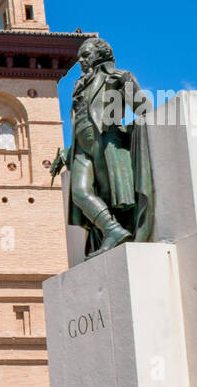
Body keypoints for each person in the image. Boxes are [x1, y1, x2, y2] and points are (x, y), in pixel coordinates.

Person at [50, 36, 154, 257]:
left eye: (86, 55)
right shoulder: (78, 87)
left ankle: (117, 230)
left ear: (101, 54)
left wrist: (126, 130)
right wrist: (66, 152)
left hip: (107, 142)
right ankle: (112, 229)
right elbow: (80, 121)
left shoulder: (118, 77)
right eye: (79, 57)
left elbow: (144, 109)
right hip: (81, 148)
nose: (81, 61)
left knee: (110, 195)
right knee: (79, 192)